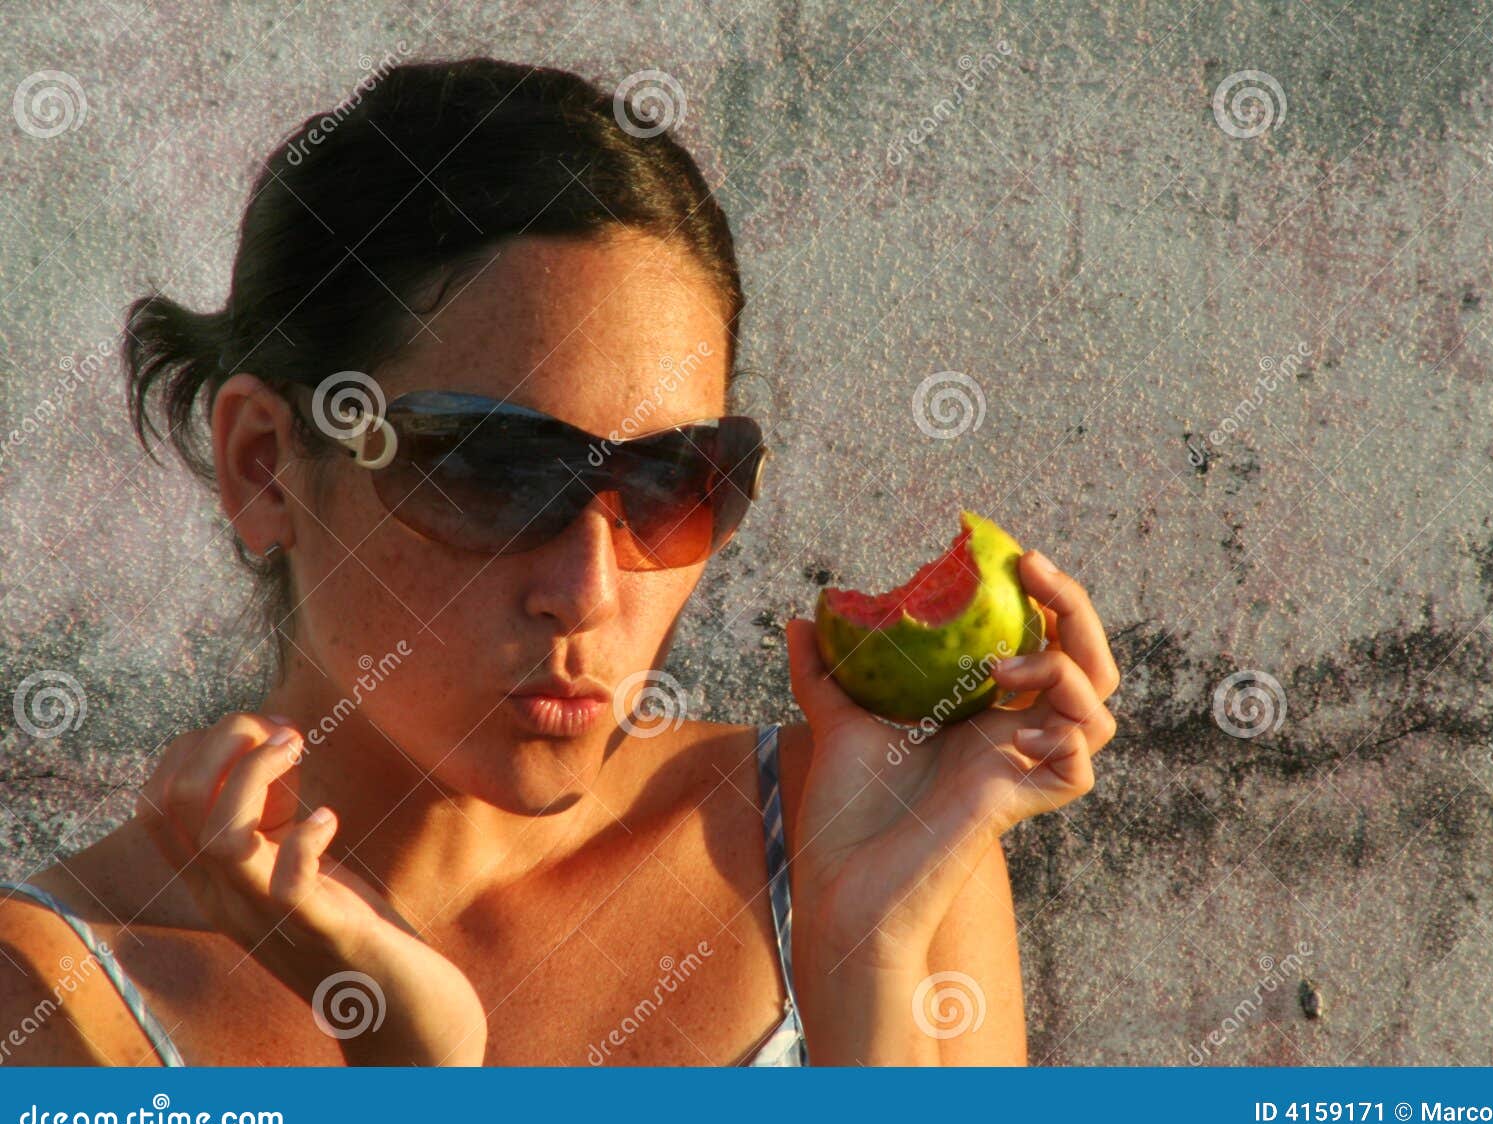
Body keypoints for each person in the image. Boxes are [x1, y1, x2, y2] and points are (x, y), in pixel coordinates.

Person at [0, 56, 1118, 1067]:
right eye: (492, 471)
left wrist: (864, 958)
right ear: (263, 465)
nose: (587, 590)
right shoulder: (55, 997)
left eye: (672, 481)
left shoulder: (854, 833)